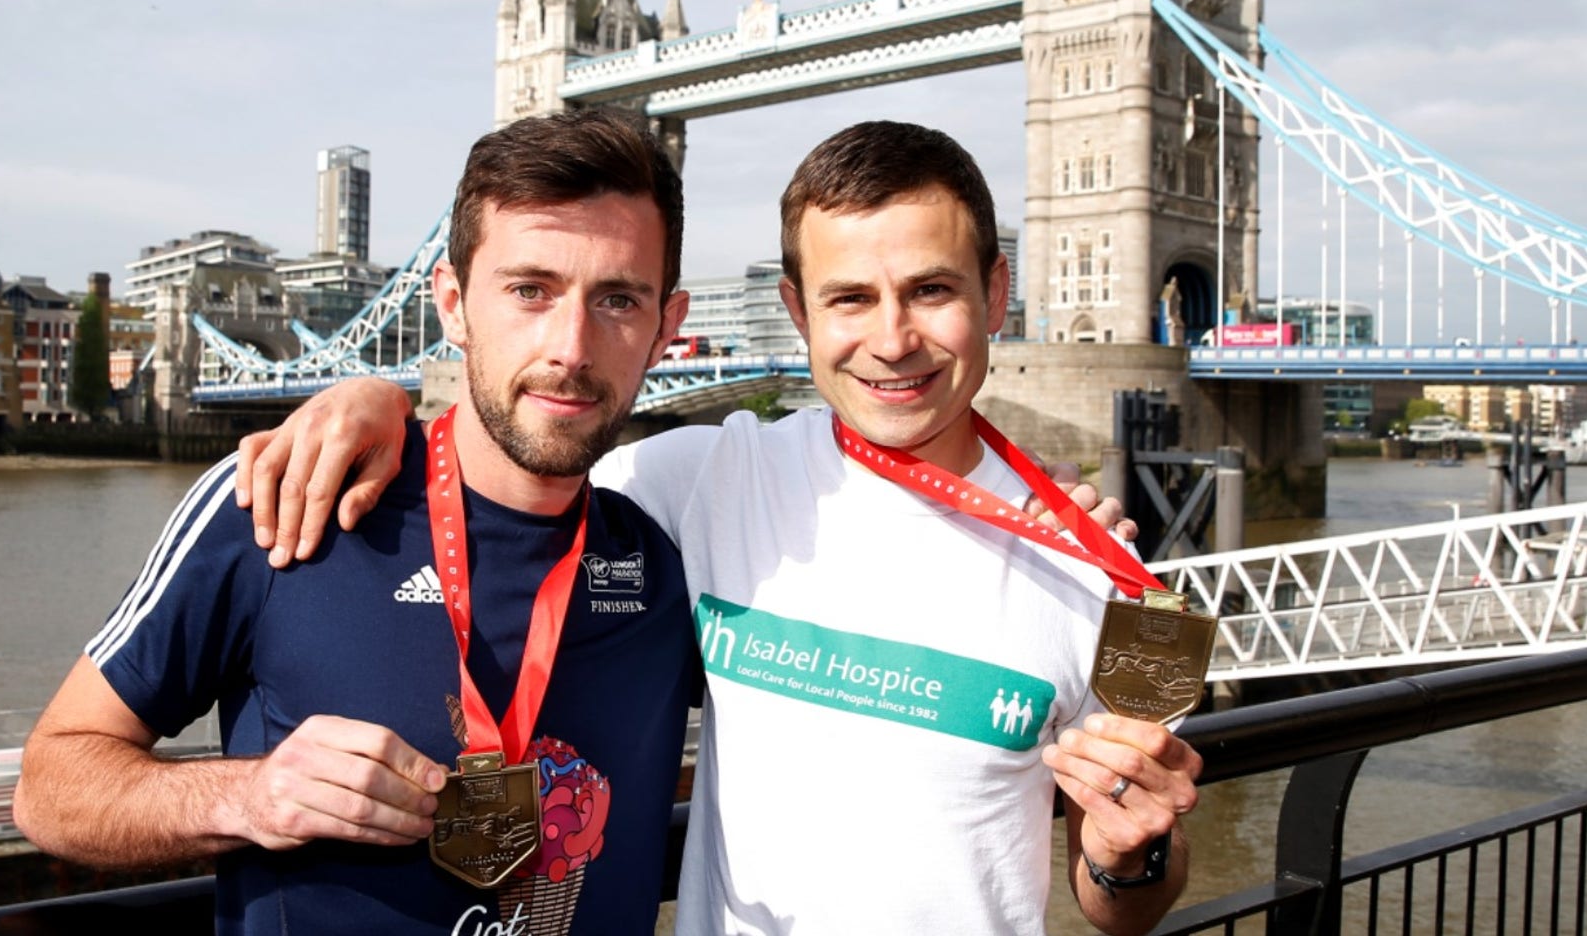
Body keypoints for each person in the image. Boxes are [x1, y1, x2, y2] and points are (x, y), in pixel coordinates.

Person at [242, 120, 1204, 935]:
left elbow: (1123, 906)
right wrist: (376, 402)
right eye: (850, 299)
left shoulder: (1094, 564)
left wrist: (1130, 854)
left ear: (994, 294)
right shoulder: (705, 481)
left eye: (932, 290)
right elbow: (516, 458)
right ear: (797, 312)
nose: (893, 339)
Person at [12, 109, 704, 935]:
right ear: (453, 305)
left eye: (618, 299)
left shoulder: (676, 559)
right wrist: (248, 795)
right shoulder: (281, 502)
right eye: (529, 290)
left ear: (665, 329)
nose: (571, 347)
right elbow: (49, 787)